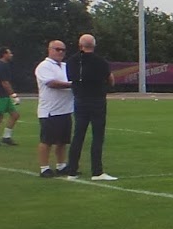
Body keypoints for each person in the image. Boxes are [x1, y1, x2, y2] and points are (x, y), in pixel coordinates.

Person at [59, 33, 116, 181]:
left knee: (78, 135)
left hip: (80, 100)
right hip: (97, 100)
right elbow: (110, 79)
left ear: (80, 45)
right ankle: (97, 171)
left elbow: (71, 79)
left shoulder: (71, 61)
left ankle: (72, 170)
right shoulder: (101, 61)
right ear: (94, 45)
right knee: (97, 136)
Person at [34, 40, 73, 177]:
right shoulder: (44, 66)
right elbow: (51, 83)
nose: (60, 52)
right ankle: (44, 168)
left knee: (62, 141)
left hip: (65, 109)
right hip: (50, 111)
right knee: (47, 141)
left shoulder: (65, 66)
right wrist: (72, 85)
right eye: (57, 49)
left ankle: (61, 166)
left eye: (63, 50)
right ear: (50, 50)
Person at [0, 46, 20, 146]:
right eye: (9, 53)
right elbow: (5, 82)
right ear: (4, 54)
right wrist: (13, 95)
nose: (11, 55)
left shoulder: (4, 65)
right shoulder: (0, 66)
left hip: (4, 95)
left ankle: (6, 137)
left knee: (15, 115)